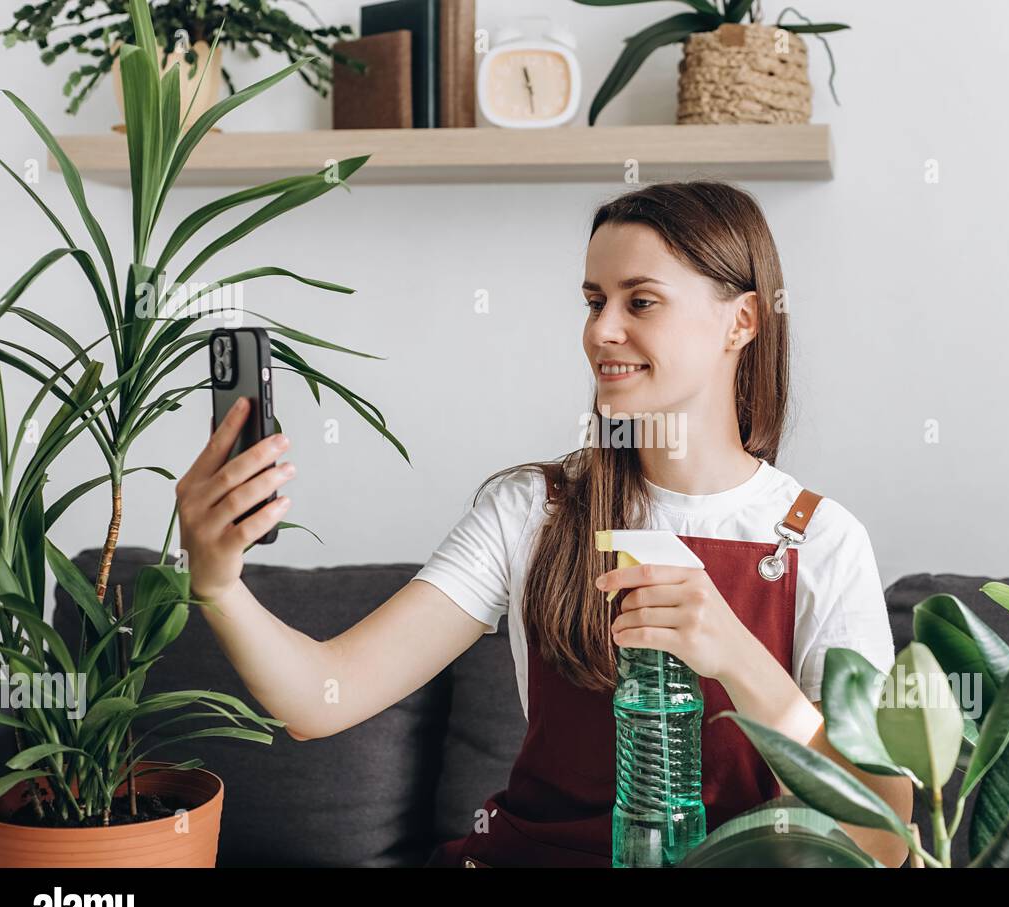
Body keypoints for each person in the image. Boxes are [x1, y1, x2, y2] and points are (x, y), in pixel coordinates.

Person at [176, 180, 913, 868]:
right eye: (594, 301)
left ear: (742, 320)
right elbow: (319, 699)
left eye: (641, 301)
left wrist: (738, 656)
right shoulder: (537, 508)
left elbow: (880, 838)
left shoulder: (818, 539)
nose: (602, 331)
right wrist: (218, 581)